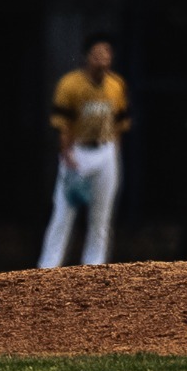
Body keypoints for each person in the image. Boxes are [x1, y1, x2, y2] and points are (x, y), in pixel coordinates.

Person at [38, 34, 129, 268]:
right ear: (86, 56)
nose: (102, 57)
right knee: (62, 214)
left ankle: (94, 267)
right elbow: (62, 122)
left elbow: (120, 124)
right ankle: (47, 268)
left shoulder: (116, 85)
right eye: (97, 52)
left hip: (105, 151)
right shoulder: (71, 84)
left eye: (106, 52)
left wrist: (114, 156)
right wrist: (66, 152)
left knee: (101, 217)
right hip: (77, 151)